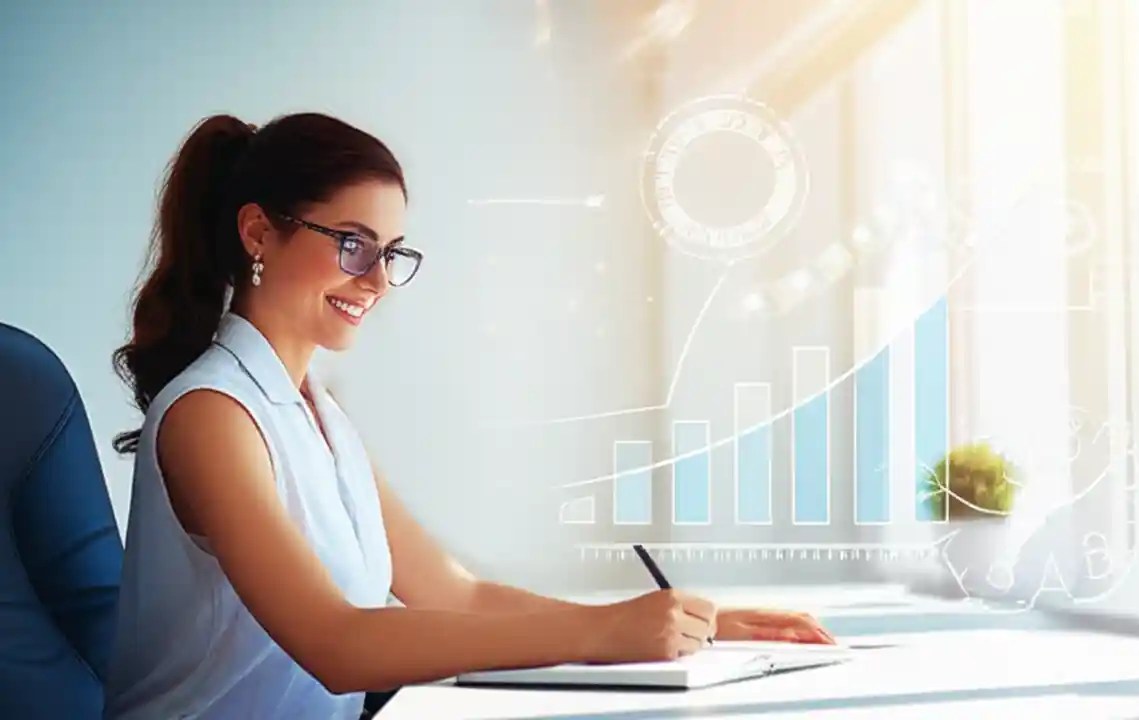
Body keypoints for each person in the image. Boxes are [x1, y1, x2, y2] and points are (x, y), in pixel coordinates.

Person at [103, 112, 836, 720]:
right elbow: (336, 644)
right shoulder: (212, 417)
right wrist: (601, 632)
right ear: (259, 233)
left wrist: (691, 622)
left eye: (393, 253)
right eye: (353, 244)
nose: (378, 281)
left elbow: (458, 594)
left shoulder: (315, 412)